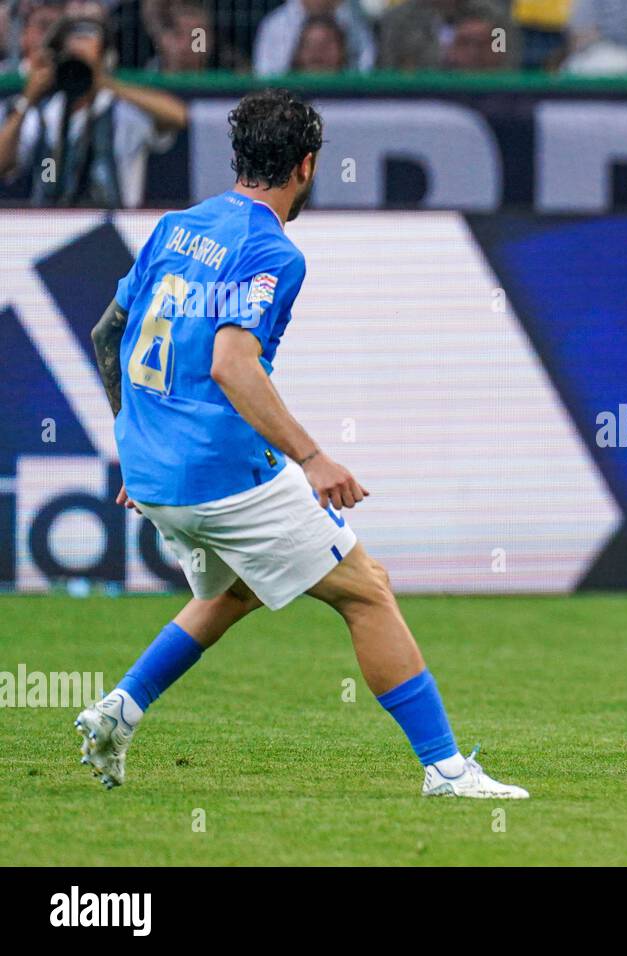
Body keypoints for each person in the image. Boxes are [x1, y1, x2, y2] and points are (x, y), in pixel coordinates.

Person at [79, 88, 529, 800]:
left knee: (236, 592)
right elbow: (232, 362)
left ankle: (118, 710)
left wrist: (137, 444)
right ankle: (446, 771)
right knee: (367, 592)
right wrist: (314, 458)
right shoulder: (271, 250)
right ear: (308, 166)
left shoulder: (175, 227)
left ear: (238, 158)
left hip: (157, 473)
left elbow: (109, 334)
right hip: (221, 474)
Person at [0, 10, 186, 207]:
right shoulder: (45, 114)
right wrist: (28, 99)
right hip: (51, 228)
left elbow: (179, 116)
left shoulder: (121, 112)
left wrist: (103, 81)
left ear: (106, 59)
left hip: (115, 229)